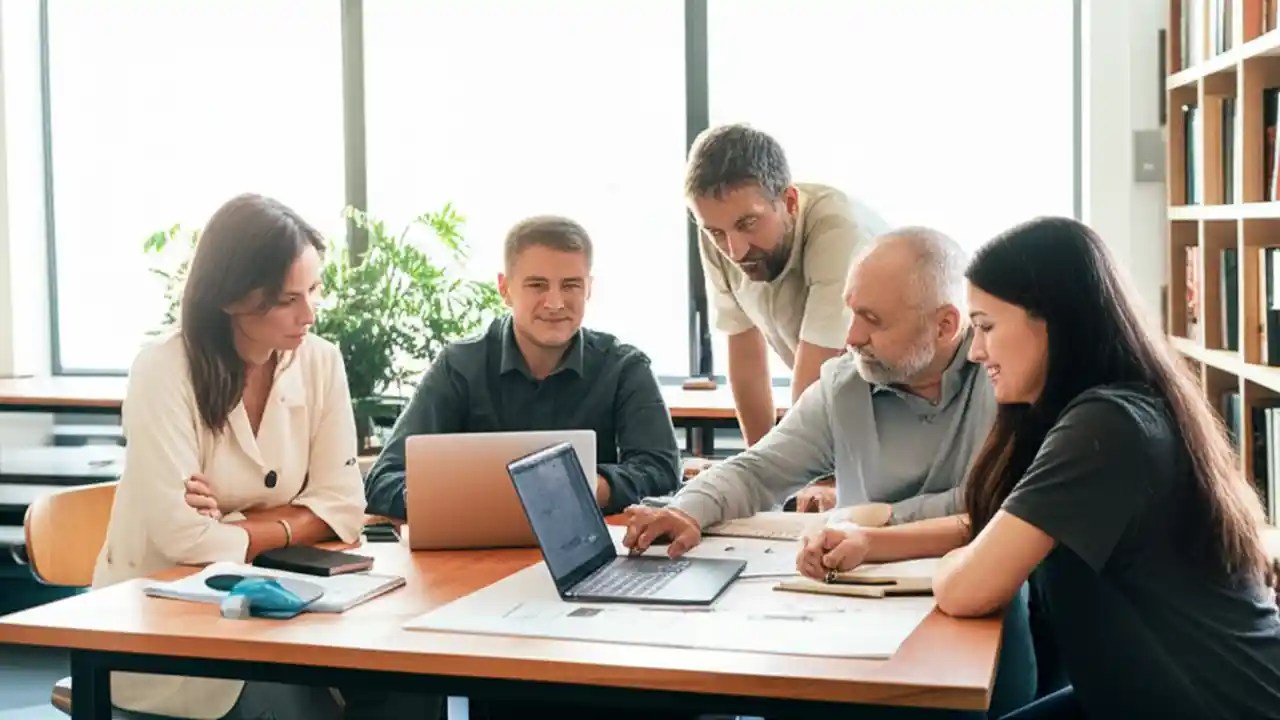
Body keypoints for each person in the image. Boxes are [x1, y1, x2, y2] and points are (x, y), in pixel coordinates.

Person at [798, 216, 1280, 719]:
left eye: (985, 326)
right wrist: (873, 543)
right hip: (1138, 693)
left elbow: (966, 590)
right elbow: (1001, 526)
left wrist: (953, 568)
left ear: (1052, 322)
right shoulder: (1098, 413)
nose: (976, 349)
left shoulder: (1105, 429)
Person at [92, 194, 434, 719]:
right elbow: (181, 539)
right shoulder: (164, 371)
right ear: (232, 298)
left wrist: (236, 523)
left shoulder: (319, 360)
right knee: (291, 701)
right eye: (286, 299)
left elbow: (344, 507)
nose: (309, 314)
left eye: (313, 291)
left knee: (413, 680)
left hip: (292, 602)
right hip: (165, 619)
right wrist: (299, 518)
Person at [623, 226, 997, 556]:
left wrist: (871, 519)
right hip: (859, 591)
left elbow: (994, 504)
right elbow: (757, 472)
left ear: (945, 326)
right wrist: (686, 509)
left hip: (974, 595)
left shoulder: (1001, 380)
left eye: (873, 320)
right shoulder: (845, 384)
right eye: (851, 313)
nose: (851, 338)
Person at [363, 214, 681, 521]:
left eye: (570, 285)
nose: (555, 303)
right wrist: (459, 499)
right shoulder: (460, 366)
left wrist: (585, 488)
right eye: (537, 285)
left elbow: (662, 472)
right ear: (505, 289)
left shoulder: (625, 367)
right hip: (475, 549)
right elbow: (383, 480)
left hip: (588, 548)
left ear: (588, 288)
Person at [686, 123, 891, 448]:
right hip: (840, 405)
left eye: (748, 223)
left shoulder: (838, 231)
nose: (734, 250)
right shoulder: (718, 234)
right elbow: (746, 358)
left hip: (905, 406)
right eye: (715, 232)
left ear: (790, 202)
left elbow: (816, 379)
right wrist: (756, 475)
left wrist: (781, 475)